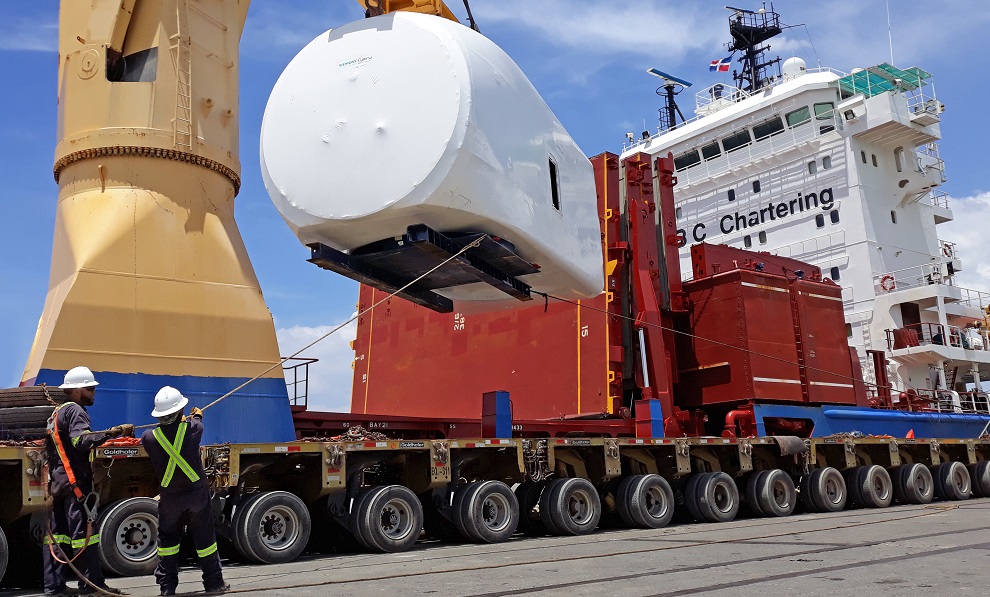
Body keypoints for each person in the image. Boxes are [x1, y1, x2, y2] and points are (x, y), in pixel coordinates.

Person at [44, 366, 133, 596]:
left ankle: (54, 587)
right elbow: (80, 441)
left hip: (60, 484)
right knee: (83, 536)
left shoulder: (58, 412)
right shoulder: (76, 411)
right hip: (75, 485)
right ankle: (91, 586)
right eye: (90, 389)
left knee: (59, 535)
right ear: (75, 390)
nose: (94, 393)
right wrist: (111, 433)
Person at [140, 386, 228, 596]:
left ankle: (167, 588)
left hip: (170, 501)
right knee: (205, 541)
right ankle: (214, 584)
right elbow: (196, 422)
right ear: (180, 411)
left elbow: (165, 433)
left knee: (168, 543)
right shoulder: (193, 429)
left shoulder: (149, 438)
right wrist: (196, 414)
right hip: (196, 497)